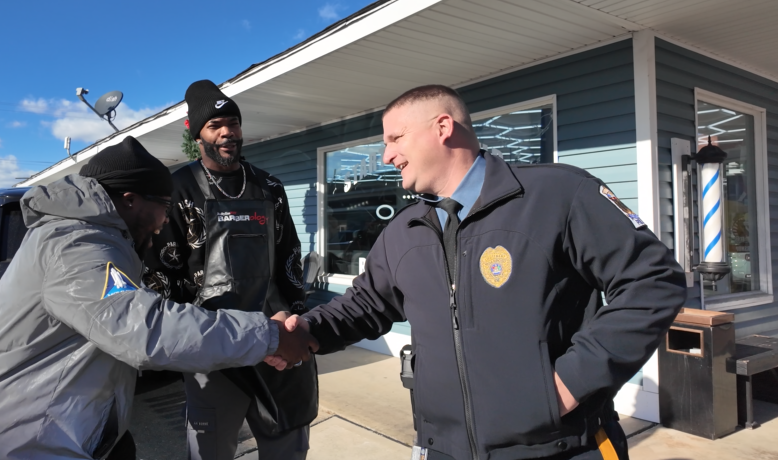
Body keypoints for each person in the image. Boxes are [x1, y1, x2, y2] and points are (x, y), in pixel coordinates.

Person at [282, 85, 687, 460]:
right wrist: (304, 332)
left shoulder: (557, 194)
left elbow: (653, 282)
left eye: (395, 138)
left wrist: (570, 383)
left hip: (560, 446)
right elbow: (365, 306)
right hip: (444, 448)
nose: (387, 155)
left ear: (443, 127)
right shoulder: (402, 231)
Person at [0, 137, 317, 460]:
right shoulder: (76, 245)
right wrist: (269, 336)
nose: (165, 221)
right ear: (131, 199)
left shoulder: (96, 239)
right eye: (164, 207)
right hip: (14, 444)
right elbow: (146, 329)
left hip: (58, 434)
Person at [143, 80, 317, 460]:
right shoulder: (178, 190)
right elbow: (162, 273)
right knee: (210, 451)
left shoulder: (269, 186)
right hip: (213, 352)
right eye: (215, 124)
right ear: (195, 133)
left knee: (288, 445)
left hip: (277, 341)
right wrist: (184, 341)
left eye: (233, 123)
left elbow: (289, 255)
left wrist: (296, 319)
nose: (228, 132)